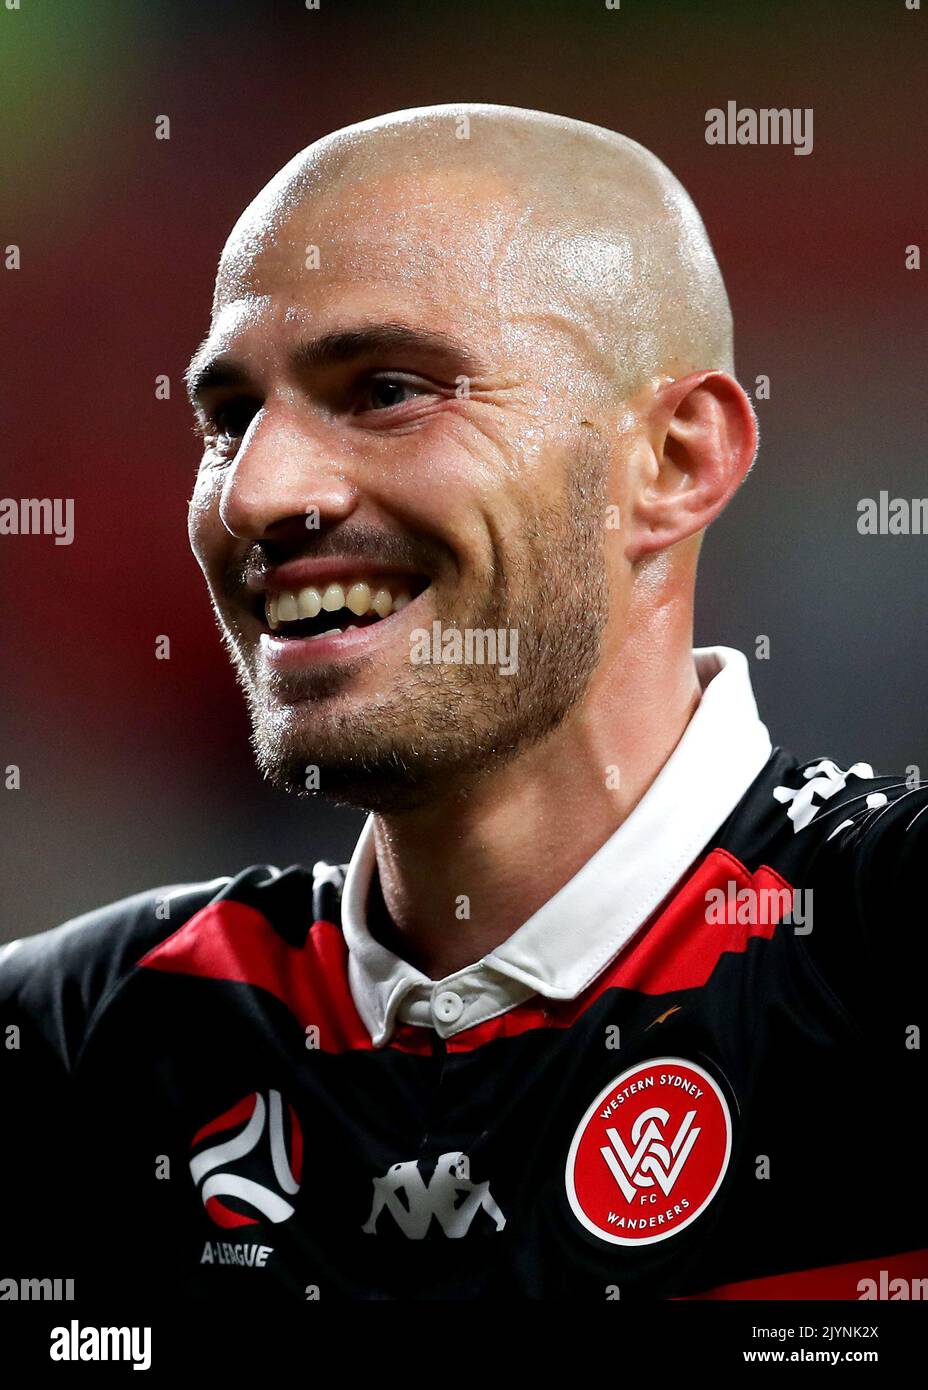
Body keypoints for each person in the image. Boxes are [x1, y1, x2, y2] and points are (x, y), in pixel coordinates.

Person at [1, 104, 924, 1301]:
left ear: (674, 462)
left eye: (386, 388)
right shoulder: (80, 1040)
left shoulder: (880, 941)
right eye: (230, 420)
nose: (259, 493)